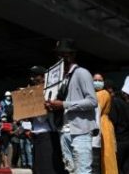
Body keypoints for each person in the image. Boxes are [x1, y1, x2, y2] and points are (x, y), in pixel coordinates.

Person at [45, 39, 97, 174]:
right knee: (71, 170)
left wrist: (64, 104)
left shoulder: (82, 73)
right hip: (64, 130)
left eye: (65, 54)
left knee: (83, 171)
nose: (61, 58)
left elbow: (92, 101)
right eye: (59, 55)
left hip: (80, 131)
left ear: (72, 55)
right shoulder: (60, 78)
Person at [29, 65, 66, 174]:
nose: (33, 78)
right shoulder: (35, 91)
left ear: (44, 77)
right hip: (38, 135)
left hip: (47, 135)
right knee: (38, 168)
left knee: (46, 168)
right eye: (32, 76)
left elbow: (41, 118)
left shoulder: (50, 92)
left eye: (36, 76)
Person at [92, 73, 118, 174]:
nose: (97, 82)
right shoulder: (97, 93)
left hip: (102, 125)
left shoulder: (102, 93)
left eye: (100, 80)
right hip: (103, 123)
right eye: (95, 80)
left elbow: (96, 110)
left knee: (106, 155)